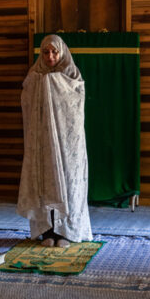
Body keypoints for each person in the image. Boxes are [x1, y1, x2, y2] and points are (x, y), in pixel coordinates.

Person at [17, 34, 92, 248]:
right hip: (42, 142)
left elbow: (75, 105)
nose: (50, 56)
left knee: (67, 183)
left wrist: (52, 83)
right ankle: (47, 230)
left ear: (61, 52)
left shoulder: (71, 73)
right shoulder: (35, 74)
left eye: (54, 52)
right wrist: (41, 84)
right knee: (44, 183)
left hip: (67, 144)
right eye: (46, 52)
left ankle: (65, 232)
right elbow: (27, 100)